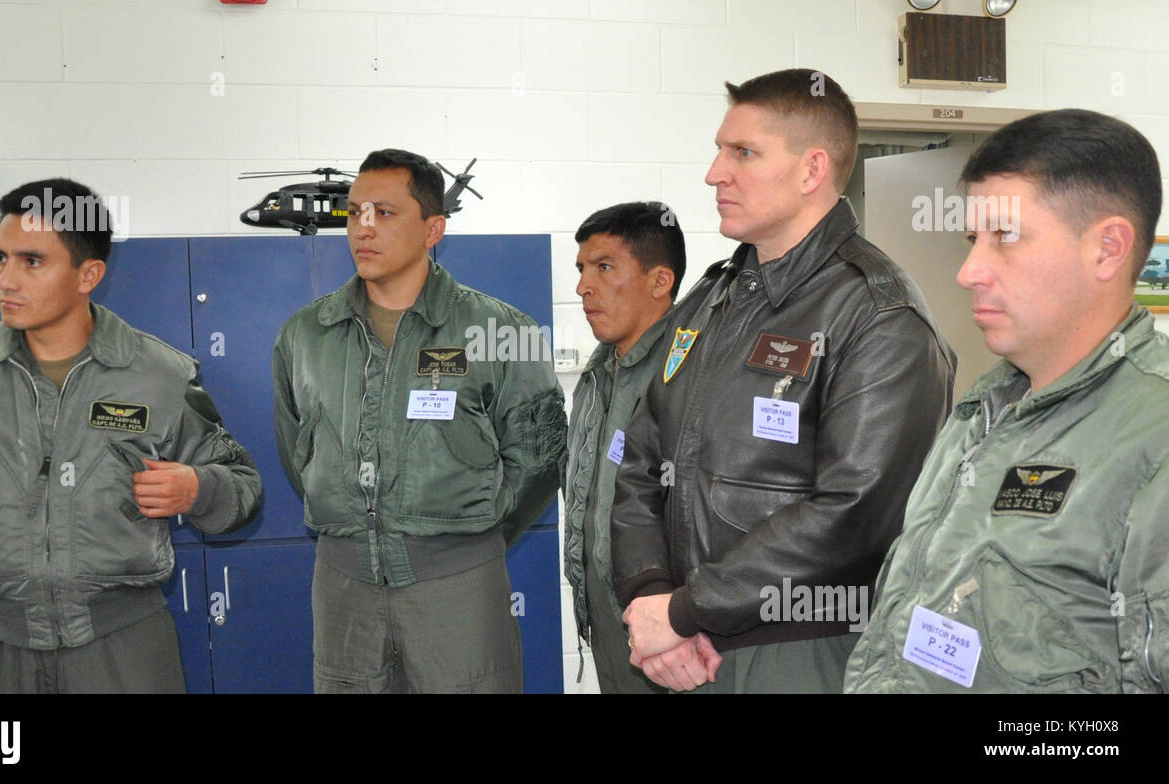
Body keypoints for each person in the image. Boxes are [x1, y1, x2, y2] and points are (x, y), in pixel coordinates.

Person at [612, 68, 956, 693]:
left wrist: (686, 611)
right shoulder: (711, 298)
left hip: (802, 651)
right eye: (720, 150)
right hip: (686, 648)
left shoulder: (877, 315)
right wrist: (651, 594)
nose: (715, 172)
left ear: (811, 170)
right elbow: (640, 461)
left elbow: (853, 514)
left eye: (742, 152)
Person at [846, 109, 1168, 693]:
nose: (969, 271)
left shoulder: (1154, 436)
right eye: (973, 239)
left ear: (1107, 248)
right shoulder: (985, 407)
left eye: (1006, 236)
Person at [0, 178, 262, 693]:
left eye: (32, 262)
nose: (6, 279)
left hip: (125, 643)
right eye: (0, 258)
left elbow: (242, 484)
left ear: (88, 274)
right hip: (0, 649)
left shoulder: (158, 374)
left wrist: (199, 489)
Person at [273, 148, 566, 693]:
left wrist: (467, 534)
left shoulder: (501, 330)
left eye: (384, 213)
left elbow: (539, 457)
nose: (363, 226)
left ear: (433, 228)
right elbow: (298, 451)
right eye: (354, 211)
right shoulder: (305, 336)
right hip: (344, 586)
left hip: (458, 585)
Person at [564, 201, 685, 694]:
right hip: (608, 614)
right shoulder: (598, 373)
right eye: (582, 269)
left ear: (660, 281)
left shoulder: (687, 373)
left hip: (671, 623)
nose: (582, 287)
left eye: (604, 267)